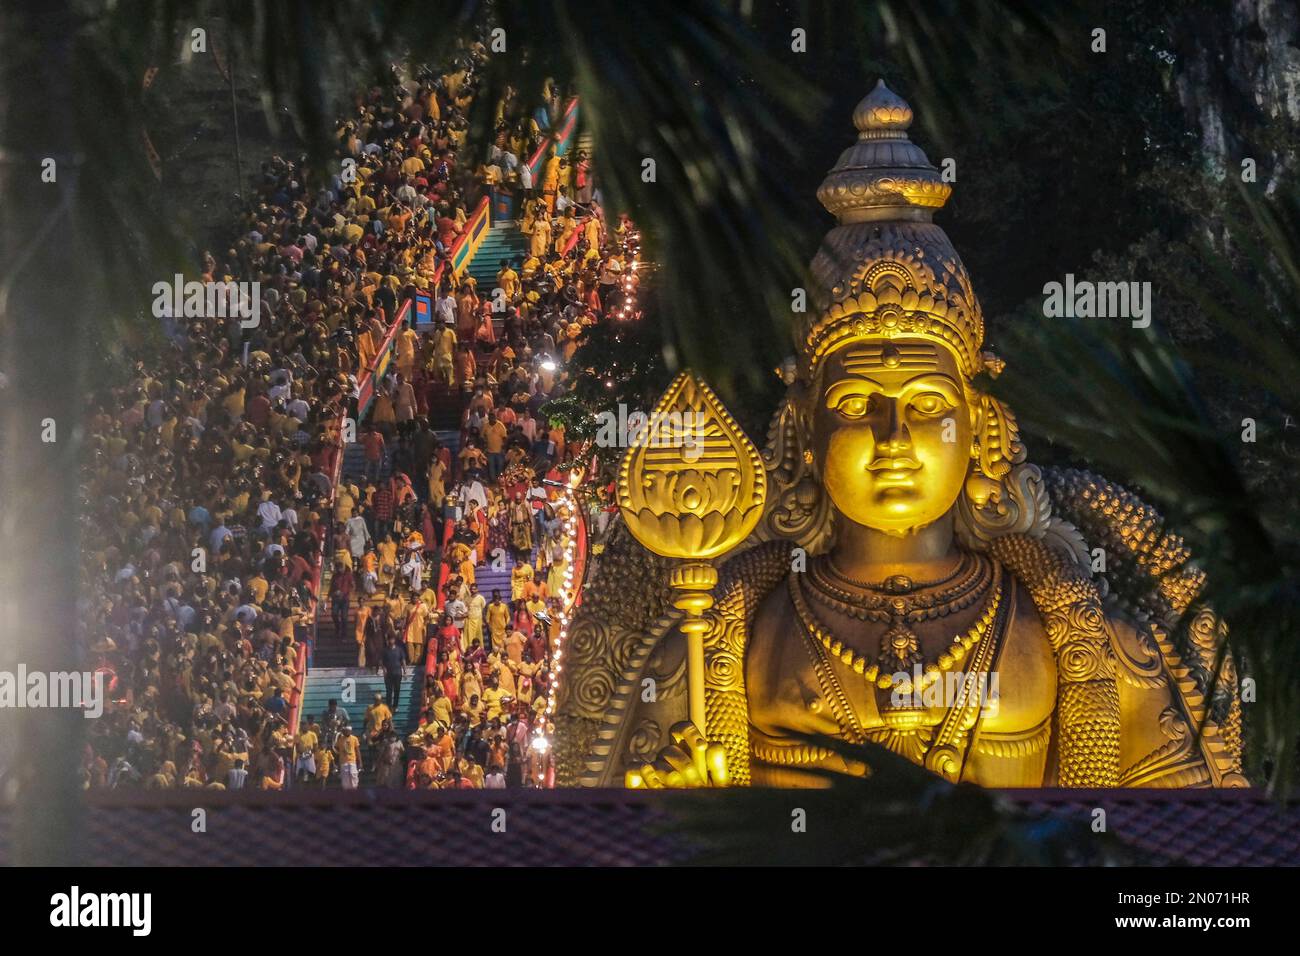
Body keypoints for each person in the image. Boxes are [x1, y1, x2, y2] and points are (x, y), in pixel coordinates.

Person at [382, 635, 406, 710]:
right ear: (388, 640)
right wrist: (384, 669)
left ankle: (395, 706)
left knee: (397, 690)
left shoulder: (399, 650)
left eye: (392, 639)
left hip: (398, 673)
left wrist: (405, 671)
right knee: (389, 691)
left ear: (394, 640)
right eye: (390, 639)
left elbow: (403, 660)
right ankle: (388, 707)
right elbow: (381, 662)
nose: (391, 641)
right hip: (388, 674)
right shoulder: (385, 650)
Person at [335, 725, 362, 790]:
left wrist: (360, 762)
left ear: (350, 731)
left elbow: (357, 751)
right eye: (345, 731)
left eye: (348, 731)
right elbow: (336, 750)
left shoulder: (354, 738)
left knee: (354, 778)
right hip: (343, 762)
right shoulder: (340, 739)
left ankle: (354, 794)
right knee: (345, 780)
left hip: (352, 761)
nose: (347, 732)